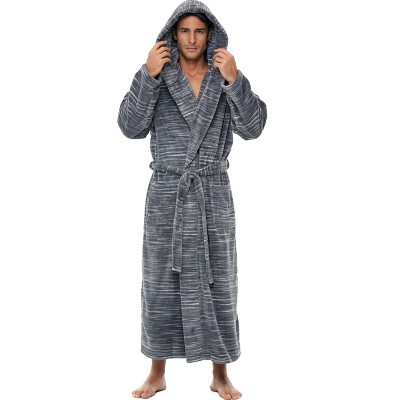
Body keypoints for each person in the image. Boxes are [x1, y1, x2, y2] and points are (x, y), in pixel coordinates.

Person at [117, 0, 267, 398]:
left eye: (199, 31)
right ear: (172, 35)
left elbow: (253, 128)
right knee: (160, 282)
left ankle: (220, 374)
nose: (192, 39)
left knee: (219, 281)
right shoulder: (158, 75)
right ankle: (156, 372)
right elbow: (130, 127)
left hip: (212, 192)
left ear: (210, 34)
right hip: (168, 193)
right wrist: (146, 75)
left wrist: (236, 81)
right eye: (184, 30)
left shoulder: (223, 75)